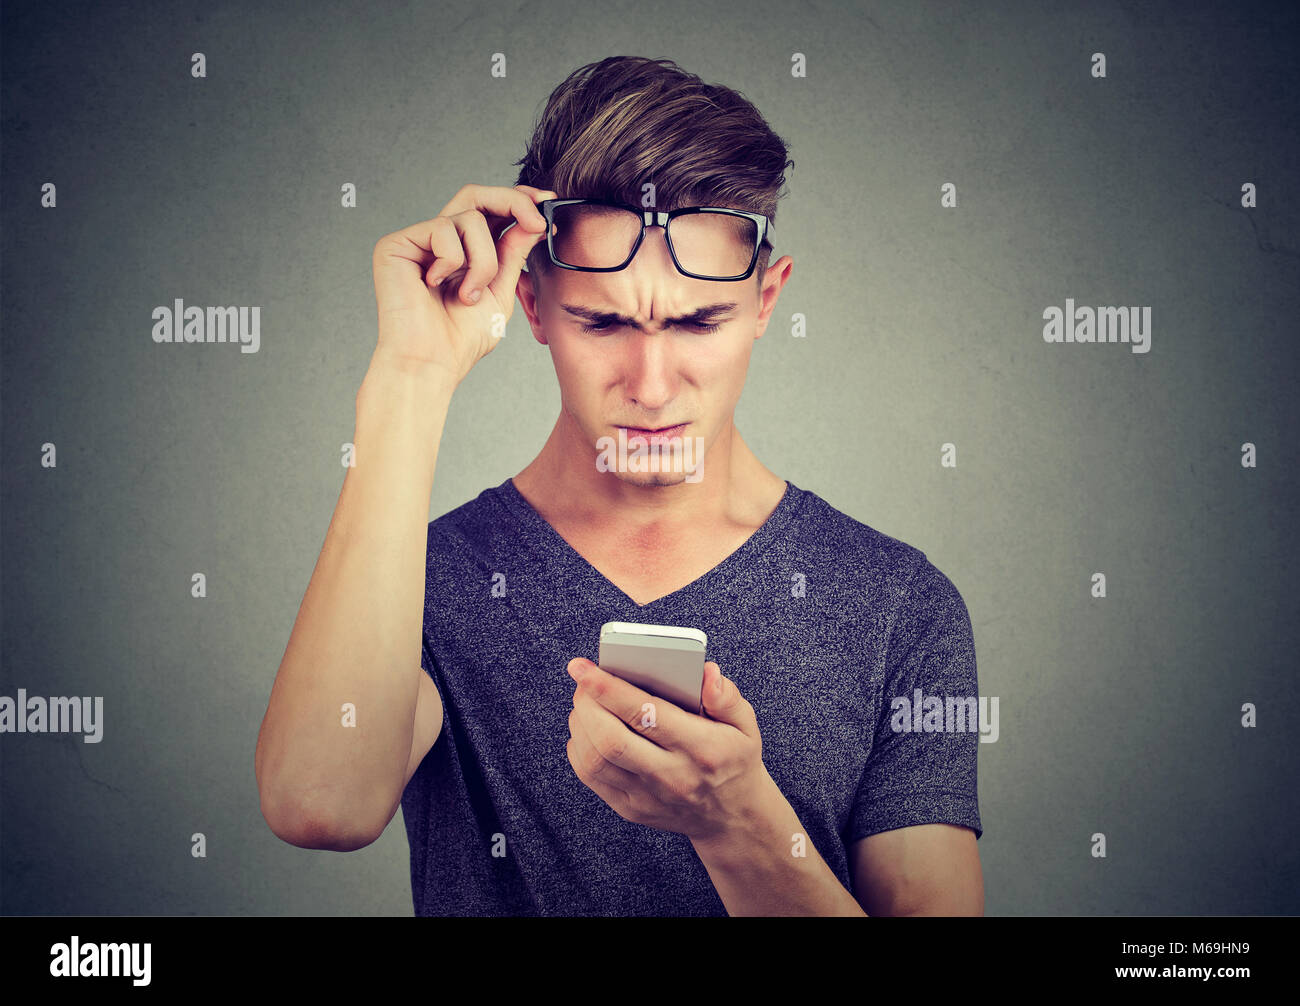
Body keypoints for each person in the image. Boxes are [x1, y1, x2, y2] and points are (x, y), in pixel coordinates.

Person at [255, 56, 984, 917]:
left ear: (763, 302)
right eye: (600, 321)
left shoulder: (899, 605)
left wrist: (737, 824)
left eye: (698, 320)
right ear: (531, 305)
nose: (650, 385)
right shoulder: (423, 583)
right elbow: (318, 803)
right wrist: (412, 377)